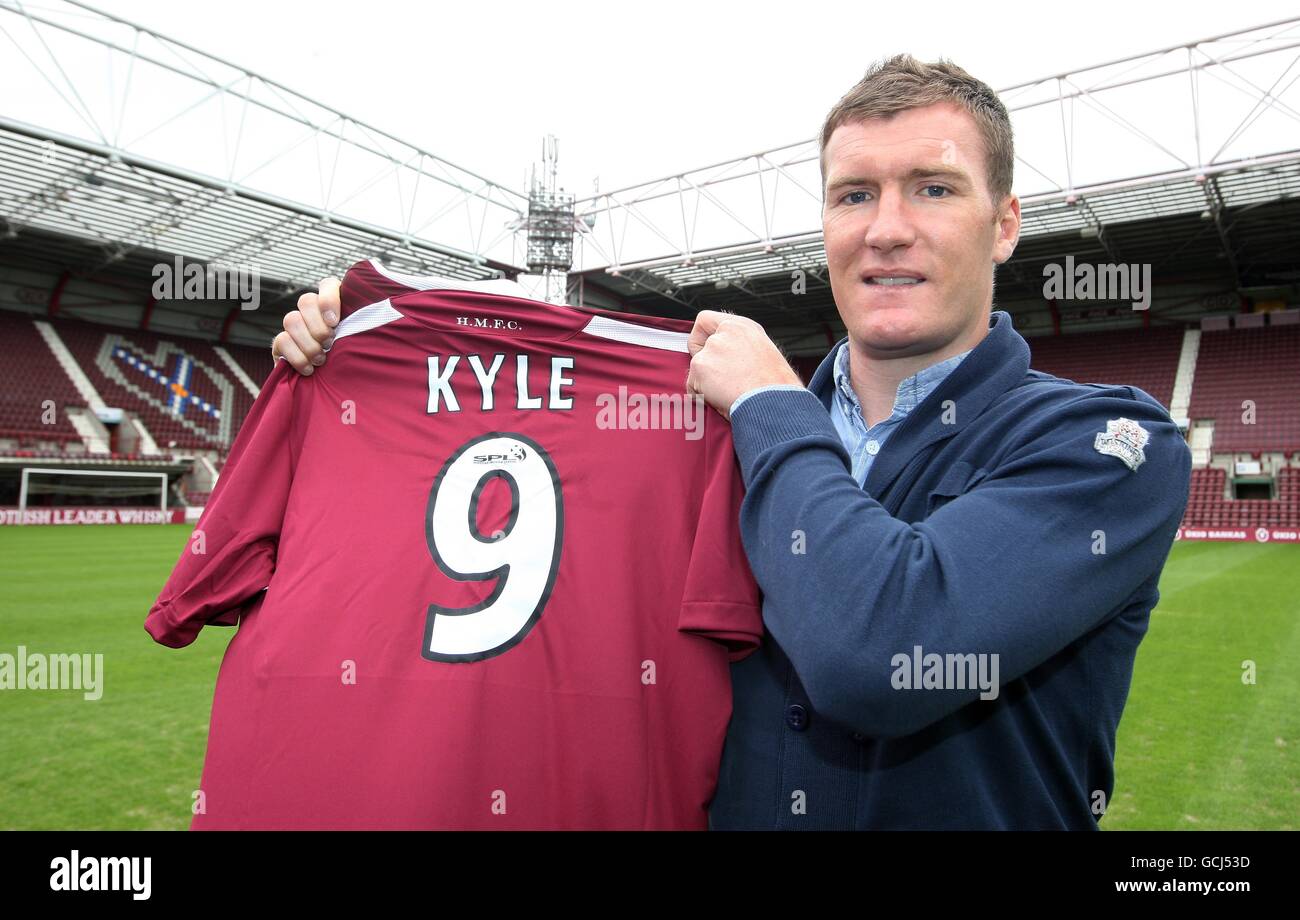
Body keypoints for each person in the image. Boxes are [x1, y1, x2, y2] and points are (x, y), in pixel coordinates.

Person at [271, 55, 1191, 829]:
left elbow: (878, 655)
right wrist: (354, 352)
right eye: (853, 195)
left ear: (1006, 225)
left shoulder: (1108, 445)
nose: (886, 229)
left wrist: (768, 410)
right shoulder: (697, 427)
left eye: (935, 189)